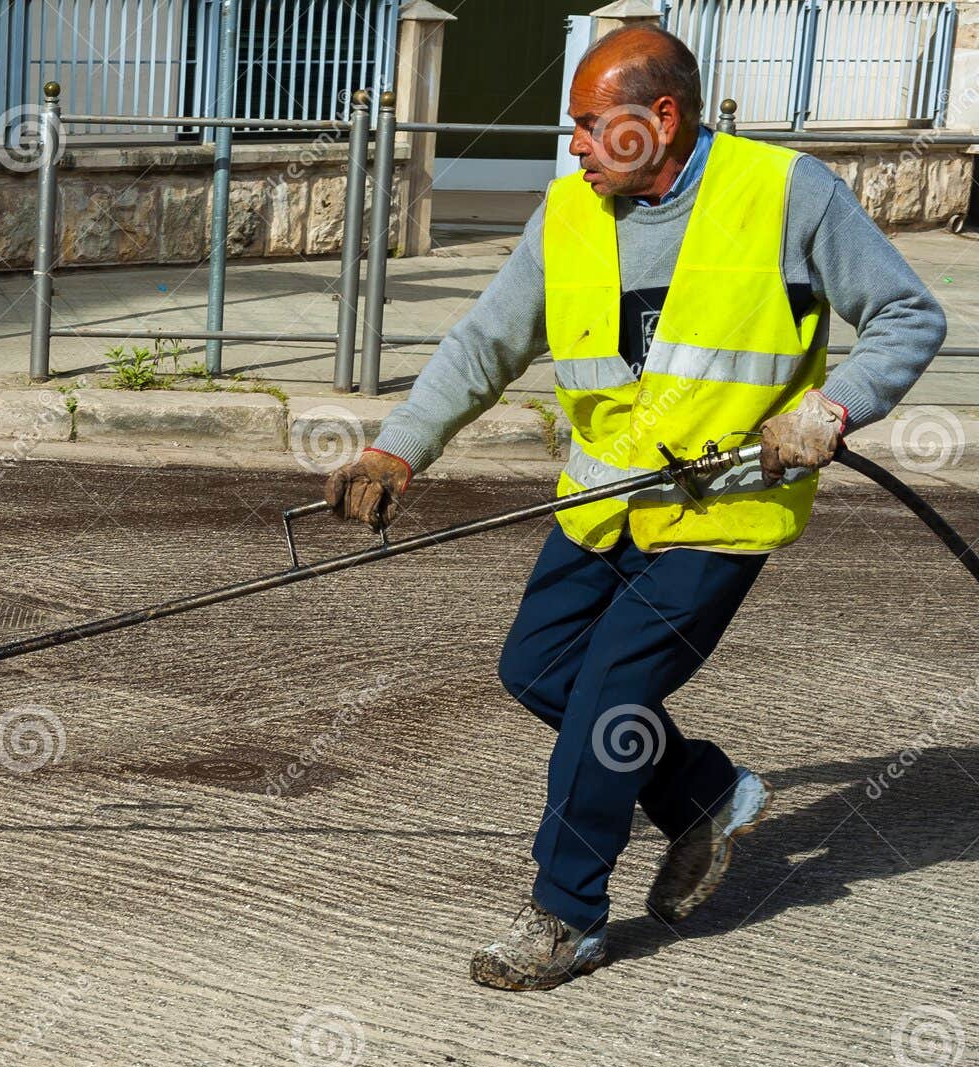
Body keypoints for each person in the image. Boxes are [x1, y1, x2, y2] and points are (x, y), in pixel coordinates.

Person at [322, 26, 945, 990]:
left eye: (587, 124)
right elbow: (488, 340)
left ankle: (567, 916)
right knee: (536, 670)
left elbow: (909, 313)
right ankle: (704, 791)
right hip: (604, 502)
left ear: (660, 118)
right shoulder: (571, 213)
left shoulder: (788, 193)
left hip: (721, 510)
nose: (572, 146)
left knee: (610, 700)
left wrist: (830, 407)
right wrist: (398, 444)